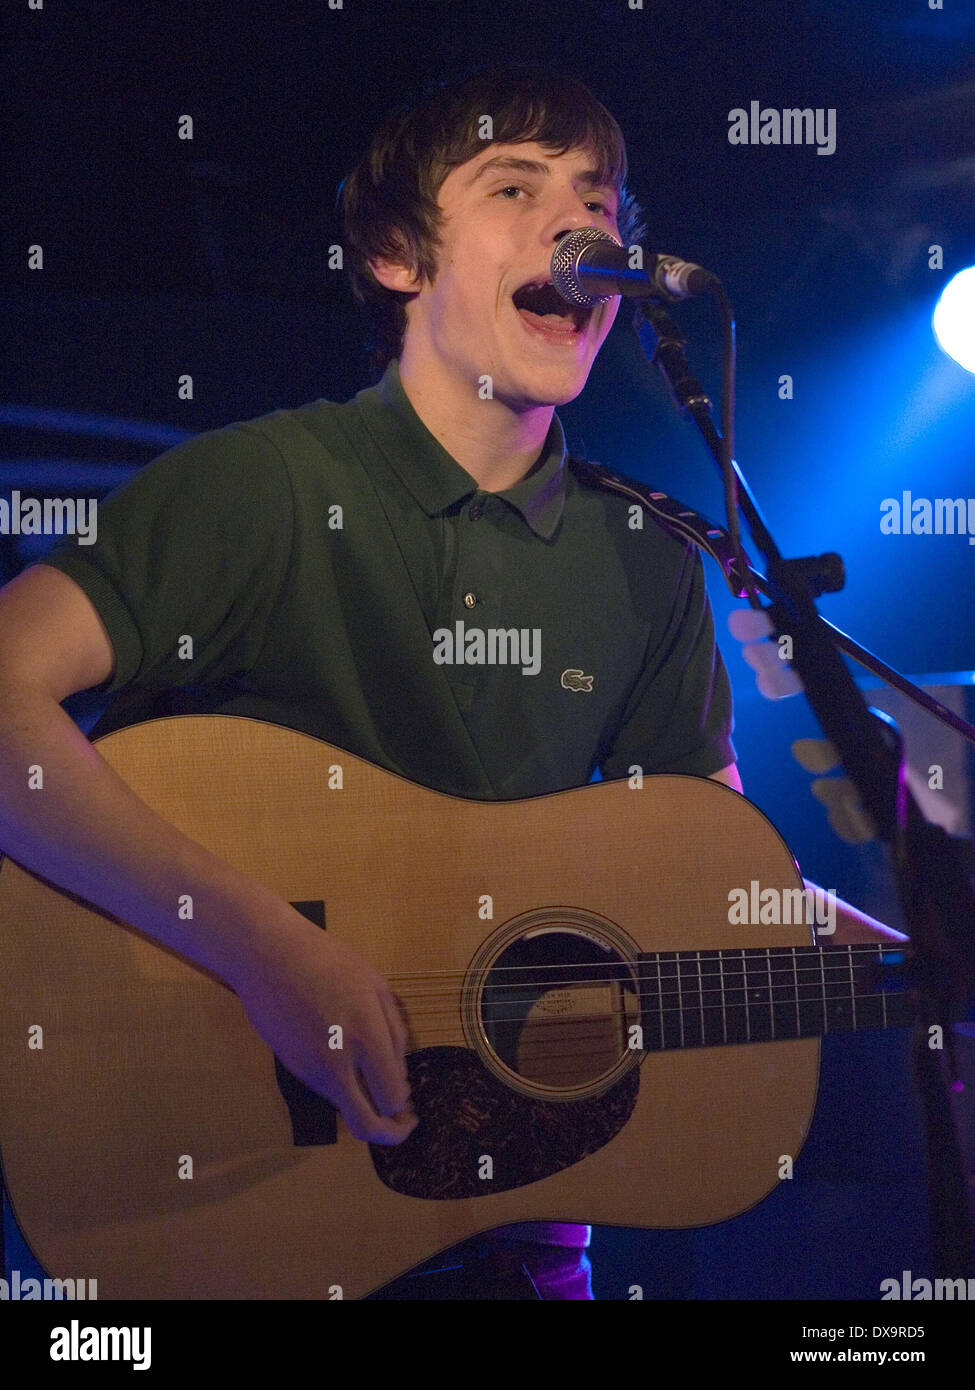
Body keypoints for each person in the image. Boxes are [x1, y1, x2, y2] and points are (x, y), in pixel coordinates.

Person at [0, 64, 902, 1301]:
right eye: (515, 187)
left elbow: (717, 891)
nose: (580, 226)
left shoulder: (648, 557)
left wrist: (925, 966)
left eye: (598, 197)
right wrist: (265, 947)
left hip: (526, 1250)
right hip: (222, 1210)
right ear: (394, 254)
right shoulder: (256, 489)